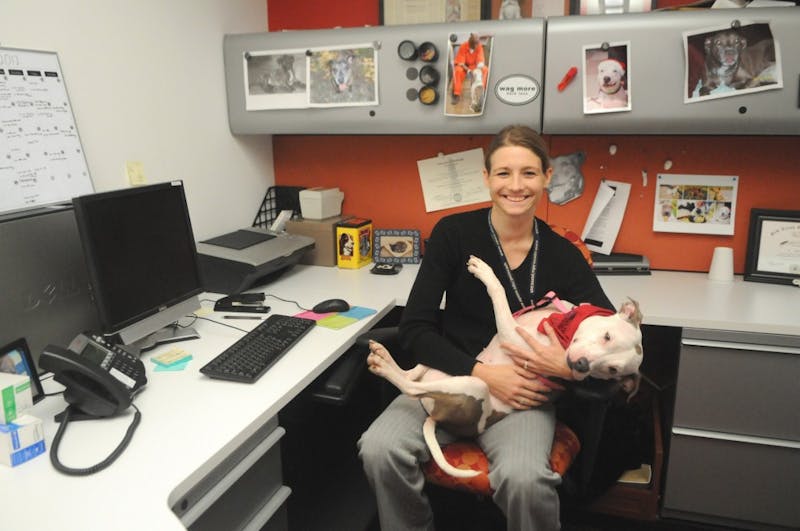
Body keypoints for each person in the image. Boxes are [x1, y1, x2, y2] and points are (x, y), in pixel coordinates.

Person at [358, 124, 614, 531]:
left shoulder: (563, 255)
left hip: (522, 398)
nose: (516, 185)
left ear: (547, 178)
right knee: (379, 448)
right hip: (451, 380)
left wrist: (566, 368)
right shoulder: (453, 234)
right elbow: (415, 329)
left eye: (529, 173)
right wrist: (484, 375)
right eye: (503, 173)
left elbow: (612, 338)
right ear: (486, 178)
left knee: (525, 480)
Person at [451, 33, 488, 104]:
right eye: (475, 44)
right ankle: (456, 94)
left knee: (485, 69)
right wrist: (469, 71)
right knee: (457, 71)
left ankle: (482, 91)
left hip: (474, 65)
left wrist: (478, 70)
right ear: (470, 43)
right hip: (464, 66)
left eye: (477, 44)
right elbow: (461, 62)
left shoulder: (479, 46)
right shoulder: (463, 46)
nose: (476, 46)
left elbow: (480, 60)